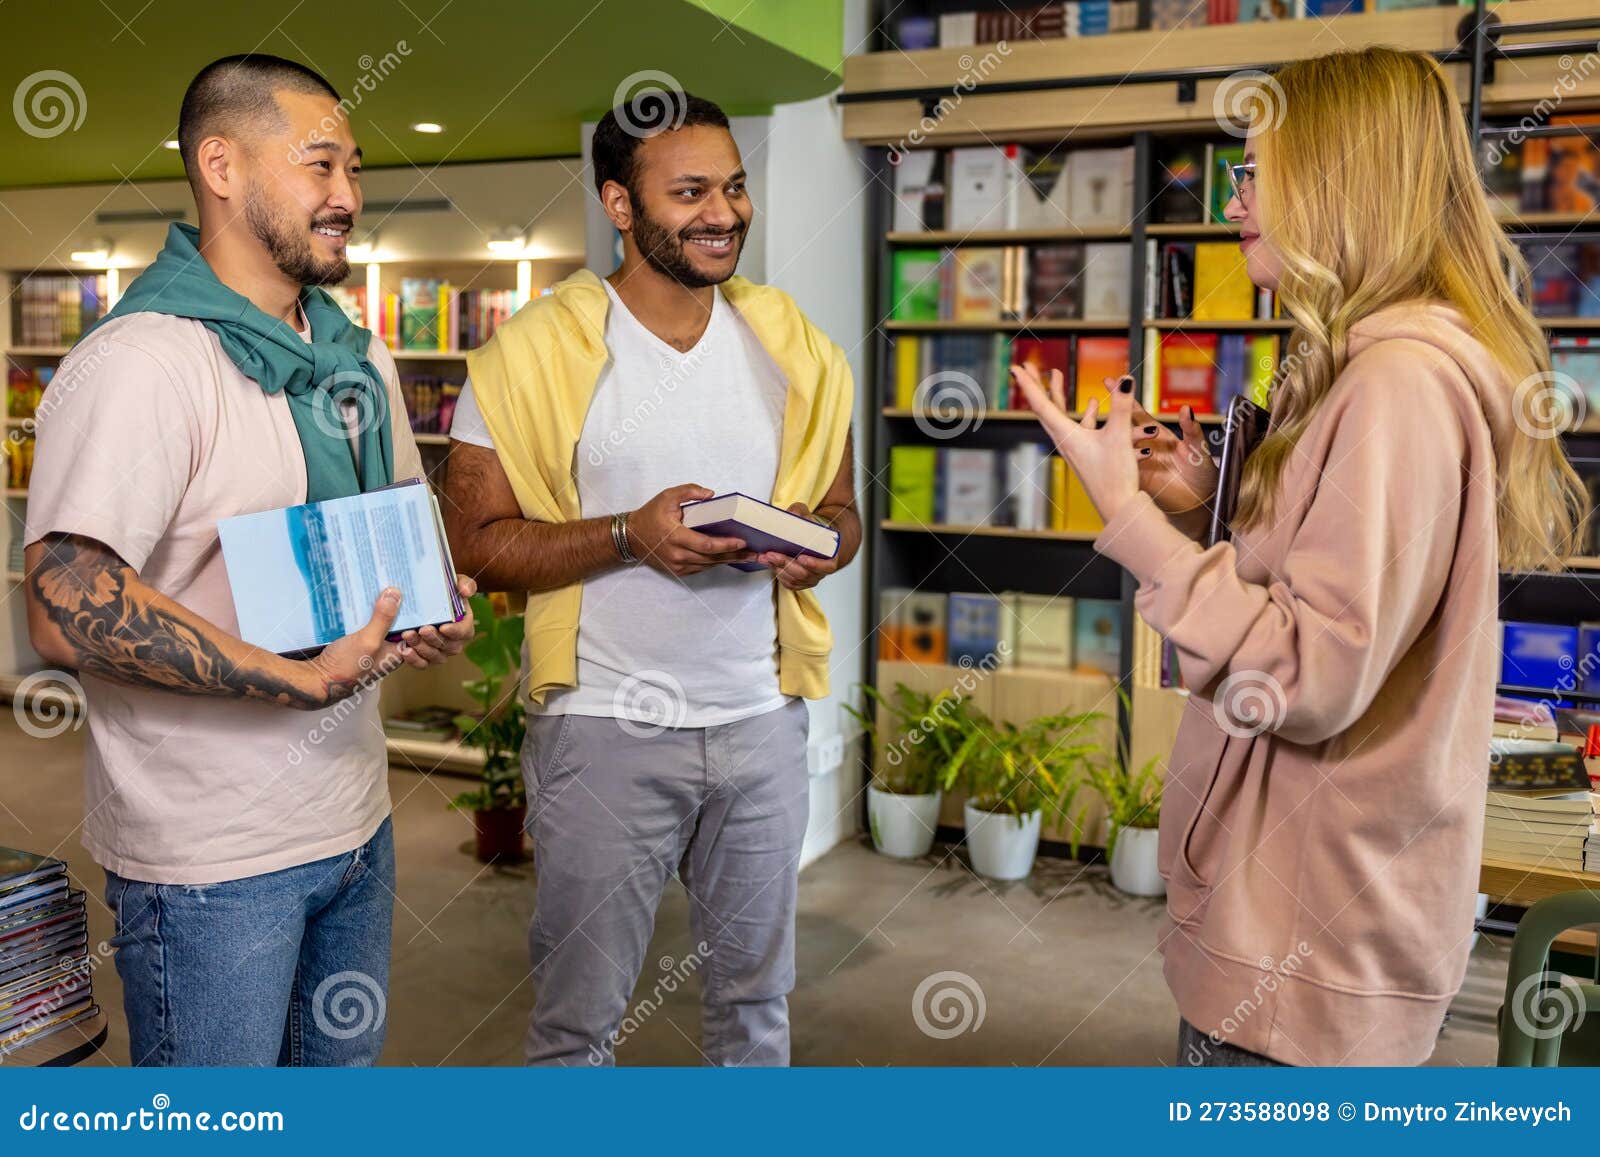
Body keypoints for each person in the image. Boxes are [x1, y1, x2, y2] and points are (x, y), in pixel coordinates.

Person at [1013, 45, 1585, 1066]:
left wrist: (1124, 514)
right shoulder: (1369, 367)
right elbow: (1323, 587)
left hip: (1297, 952)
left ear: (1334, 182)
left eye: (1254, 172)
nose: (1236, 200)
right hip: (1291, 926)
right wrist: (1207, 503)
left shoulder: (1397, 386)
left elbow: (1307, 673)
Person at [22, 54, 476, 1066]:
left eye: (353, 170)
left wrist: (427, 600)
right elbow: (63, 606)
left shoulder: (358, 356)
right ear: (220, 164)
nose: (348, 198)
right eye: (320, 167)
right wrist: (293, 675)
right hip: (210, 862)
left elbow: (395, 526)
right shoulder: (143, 363)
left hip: (356, 825)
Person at [442, 91, 857, 1067]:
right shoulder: (529, 356)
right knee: (578, 1022)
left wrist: (818, 548)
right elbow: (479, 544)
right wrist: (628, 534)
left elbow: (841, 514)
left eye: (735, 186)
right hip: (603, 725)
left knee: (757, 1007)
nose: (724, 211)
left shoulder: (790, 346)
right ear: (621, 206)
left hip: (761, 718)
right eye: (690, 192)